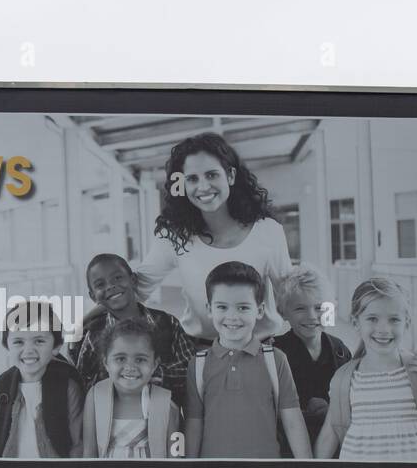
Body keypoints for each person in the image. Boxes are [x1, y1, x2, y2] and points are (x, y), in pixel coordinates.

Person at [124, 132, 292, 344]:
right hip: (198, 351)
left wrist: (326, 332)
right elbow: (130, 292)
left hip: (261, 348)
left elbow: (293, 298)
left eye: (211, 175)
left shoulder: (268, 231)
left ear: (230, 176)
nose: (203, 187)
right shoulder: (175, 236)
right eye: (192, 179)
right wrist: (74, 325)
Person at [183, 262, 311, 459]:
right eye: (222, 307)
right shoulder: (198, 364)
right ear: (209, 309)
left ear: (259, 310)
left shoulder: (275, 359)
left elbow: (292, 420)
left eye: (243, 307)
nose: (232, 316)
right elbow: (194, 423)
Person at [315, 278, 417, 461]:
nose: (384, 329)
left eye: (394, 319)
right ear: (356, 323)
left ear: (406, 323)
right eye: (372, 319)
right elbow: (328, 436)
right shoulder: (345, 379)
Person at [70, 253, 197, 408]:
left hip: (165, 416)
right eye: (100, 284)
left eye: (117, 278)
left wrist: (144, 375)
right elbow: (84, 385)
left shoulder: (168, 323)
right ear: (92, 296)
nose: (110, 286)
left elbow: (189, 373)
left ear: (133, 280)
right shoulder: (92, 335)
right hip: (114, 422)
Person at [0, 300, 84, 458]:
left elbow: (78, 444)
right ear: (7, 347)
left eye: (39, 341)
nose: (29, 350)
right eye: (18, 342)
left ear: (56, 347)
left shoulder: (68, 388)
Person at [272, 263, 352, 446]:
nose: (311, 316)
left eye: (319, 308)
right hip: (289, 445)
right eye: (300, 308)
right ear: (283, 312)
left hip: (335, 444)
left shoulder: (340, 351)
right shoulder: (275, 351)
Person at [81, 317, 182, 458]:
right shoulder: (95, 397)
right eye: (120, 358)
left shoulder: (167, 404)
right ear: (106, 363)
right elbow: (88, 453)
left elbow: (176, 456)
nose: (130, 367)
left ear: (154, 364)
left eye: (140, 359)